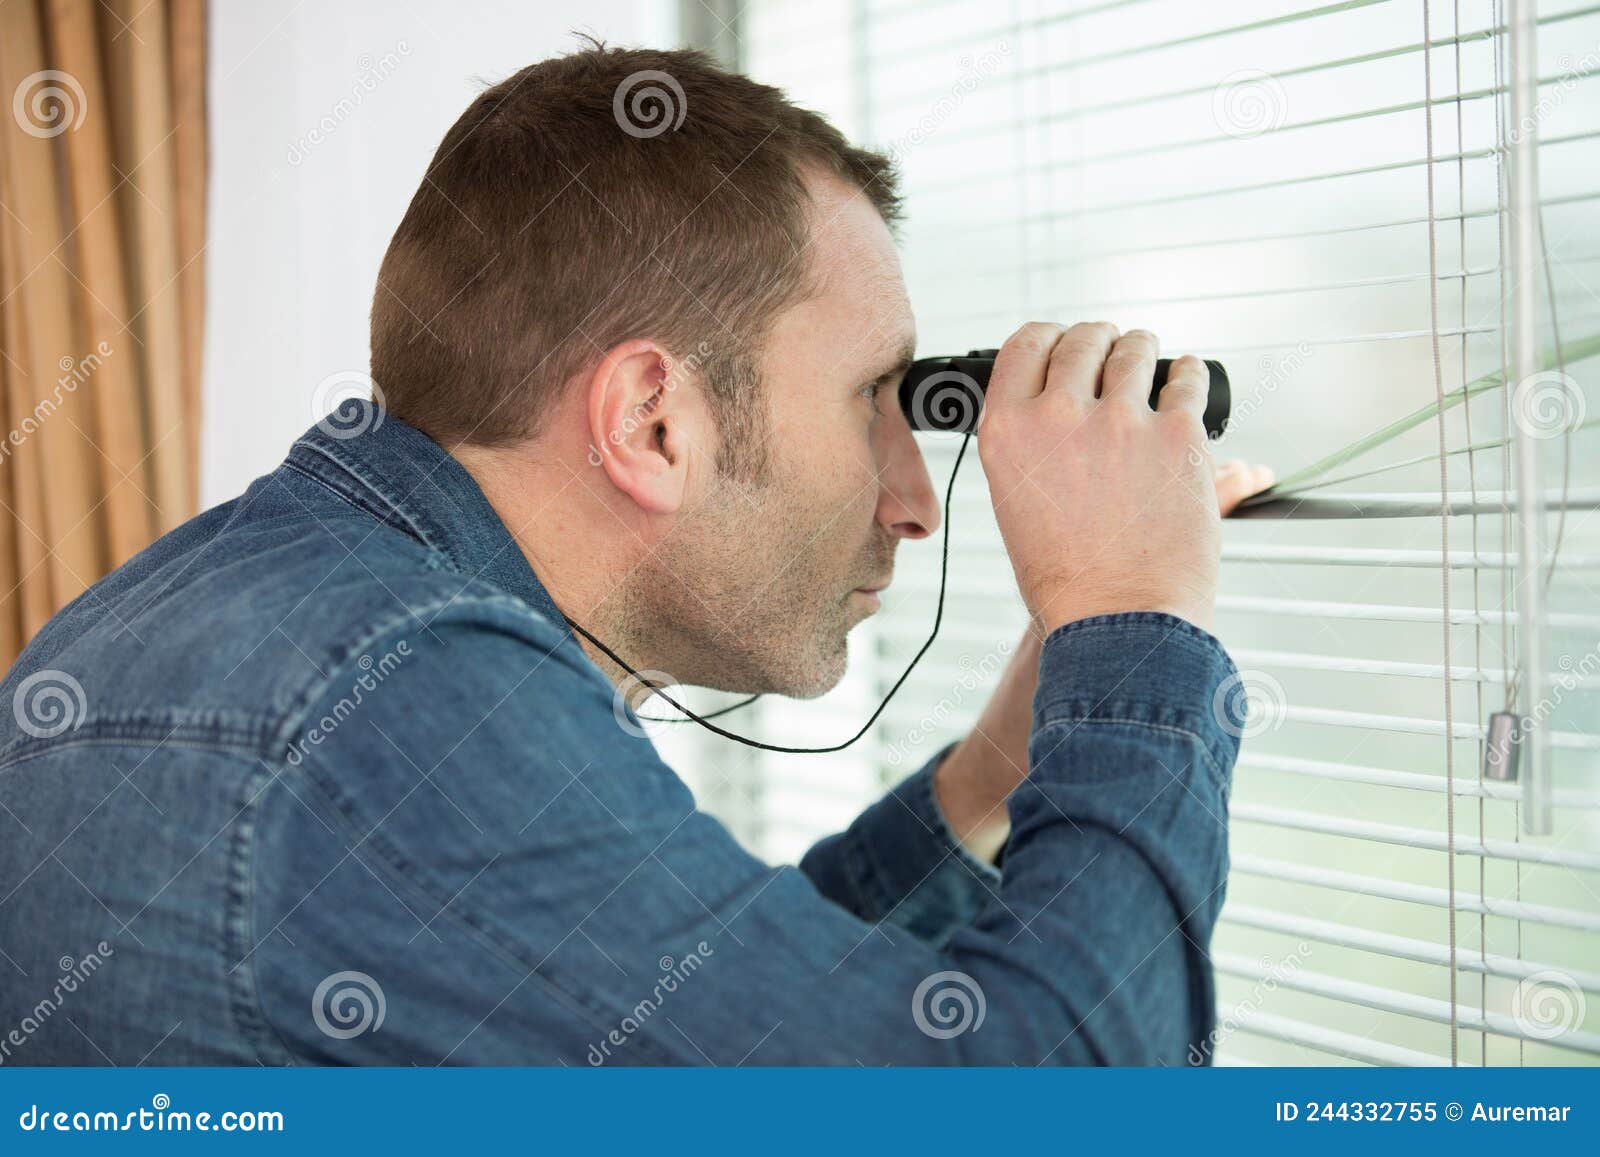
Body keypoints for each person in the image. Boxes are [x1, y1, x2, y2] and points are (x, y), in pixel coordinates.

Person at [0, 40, 1271, 1065]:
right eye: (870, 400)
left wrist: (992, 770)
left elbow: (701, 1029)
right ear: (652, 421)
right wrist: (1132, 616)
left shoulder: (256, 610)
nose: (913, 502)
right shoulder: (404, 704)